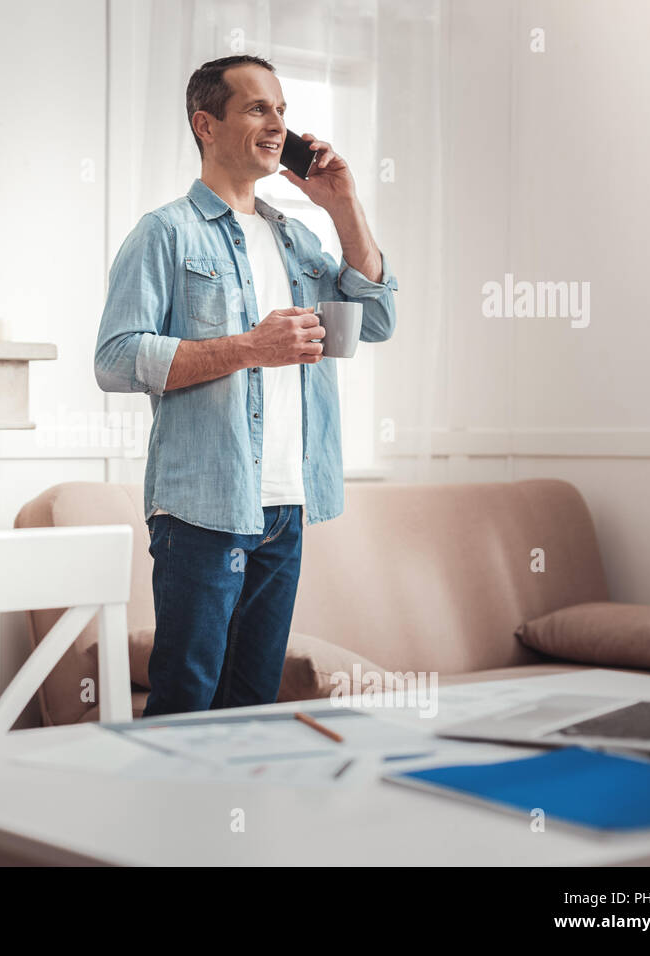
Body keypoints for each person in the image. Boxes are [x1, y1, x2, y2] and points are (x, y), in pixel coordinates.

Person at [94, 54, 399, 717]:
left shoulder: (296, 240)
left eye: (283, 111)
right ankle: (166, 824)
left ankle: (235, 822)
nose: (277, 124)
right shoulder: (165, 233)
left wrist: (344, 206)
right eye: (259, 108)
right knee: (186, 700)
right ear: (206, 124)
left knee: (253, 708)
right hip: (204, 508)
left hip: (285, 505)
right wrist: (249, 349)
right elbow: (115, 358)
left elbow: (373, 320)